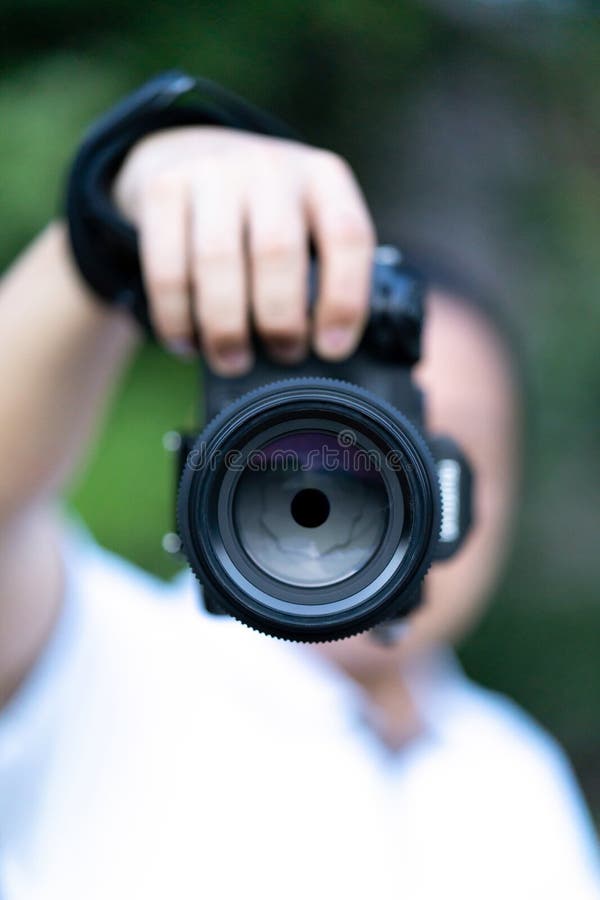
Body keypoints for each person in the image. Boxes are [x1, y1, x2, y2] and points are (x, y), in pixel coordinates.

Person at [0, 123, 598, 900]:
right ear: (236, 457)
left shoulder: (514, 772)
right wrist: (108, 230)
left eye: (454, 445)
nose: (398, 489)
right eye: (354, 441)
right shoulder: (90, 667)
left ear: (488, 494)